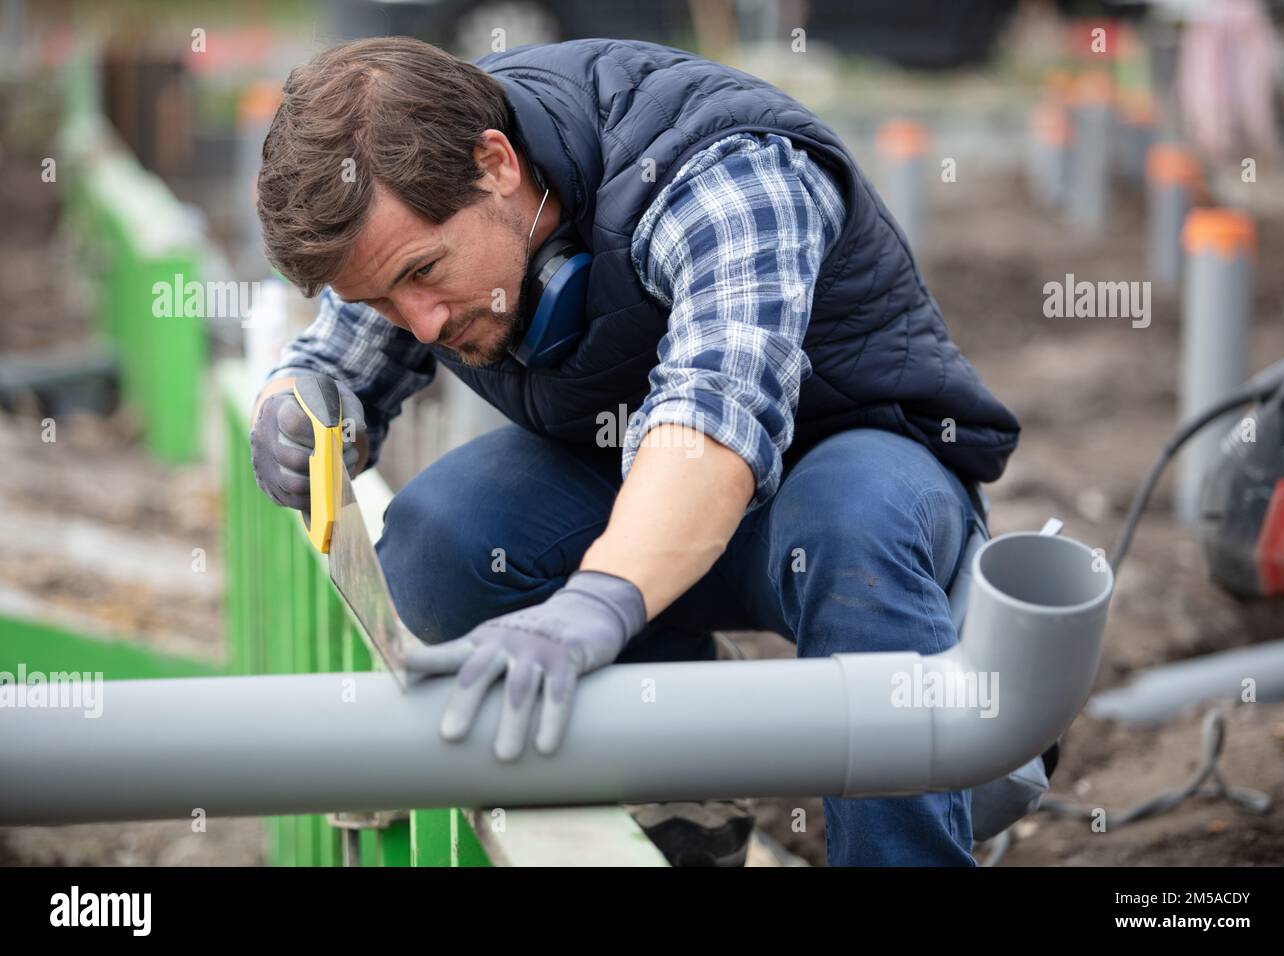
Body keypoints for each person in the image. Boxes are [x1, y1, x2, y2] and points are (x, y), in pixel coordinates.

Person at [249, 36, 1020, 866]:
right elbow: (330, 363)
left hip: (850, 472)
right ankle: (680, 790)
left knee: (854, 524)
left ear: (497, 164)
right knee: (442, 540)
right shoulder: (425, 207)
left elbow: (716, 421)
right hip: (647, 492)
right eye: (382, 299)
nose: (422, 323)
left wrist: (593, 608)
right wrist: (294, 409)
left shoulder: (720, 172)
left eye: (424, 273)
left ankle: (912, 838)